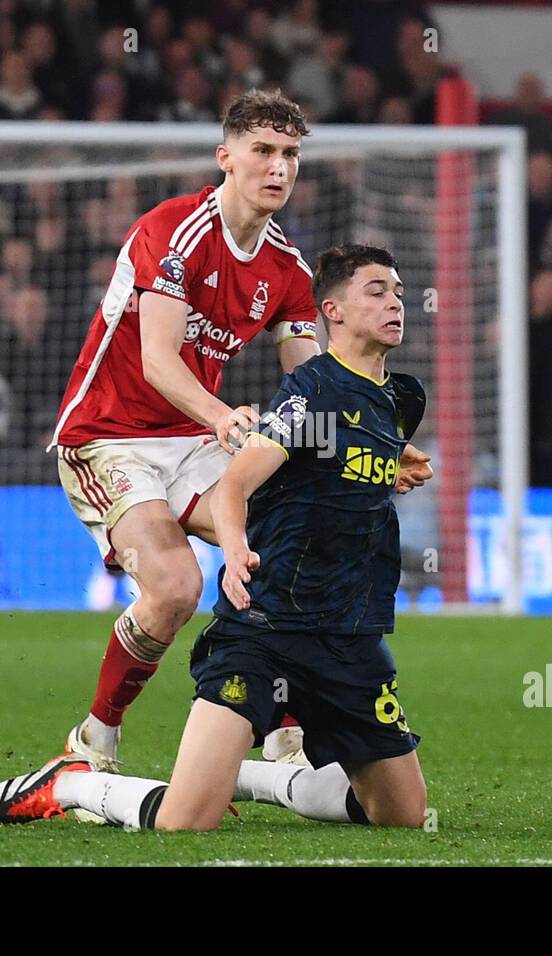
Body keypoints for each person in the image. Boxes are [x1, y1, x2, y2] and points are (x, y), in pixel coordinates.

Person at [0, 244, 430, 831]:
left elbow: (331, 471)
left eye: (398, 291)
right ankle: (75, 783)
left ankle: (250, 775)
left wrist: (389, 467)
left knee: (403, 816)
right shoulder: (309, 391)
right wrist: (236, 548)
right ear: (332, 311)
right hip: (267, 633)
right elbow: (236, 484)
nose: (394, 302)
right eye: (376, 291)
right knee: (184, 823)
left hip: (351, 638)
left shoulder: (402, 399)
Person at [46, 90, 431, 774]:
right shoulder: (173, 232)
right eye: (263, 151)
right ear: (226, 158)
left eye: (290, 155)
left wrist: (380, 442)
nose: (278, 167)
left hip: (190, 441)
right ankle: (95, 735)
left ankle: (283, 730)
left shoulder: (287, 269)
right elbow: (158, 360)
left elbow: (322, 390)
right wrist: (223, 417)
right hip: (109, 435)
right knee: (173, 588)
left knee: (290, 536)